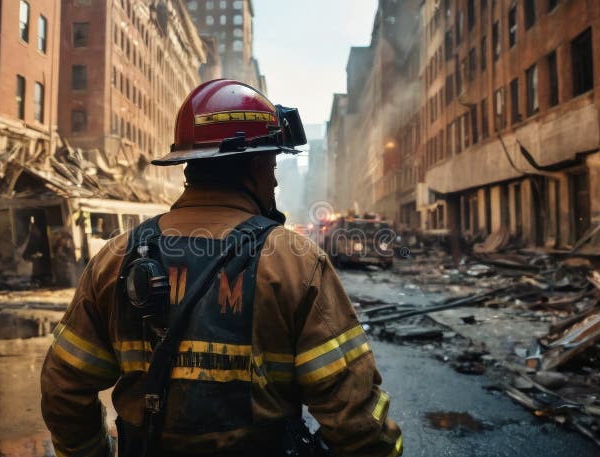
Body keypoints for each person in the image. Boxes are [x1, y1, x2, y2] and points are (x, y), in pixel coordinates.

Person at [41, 80, 403, 457]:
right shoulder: (296, 262)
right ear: (256, 166)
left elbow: (63, 389)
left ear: (189, 163)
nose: (274, 180)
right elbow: (356, 421)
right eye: (272, 165)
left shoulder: (117, 256)